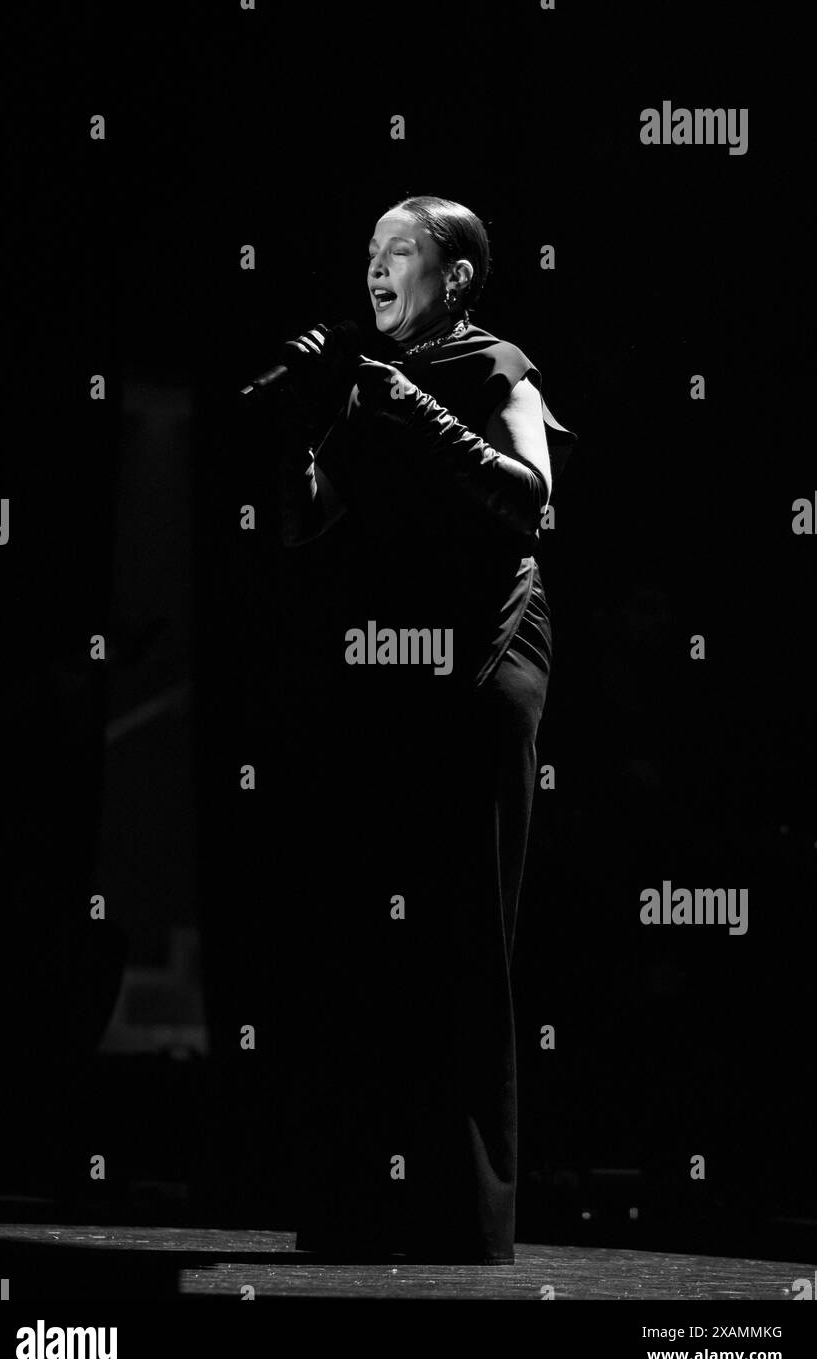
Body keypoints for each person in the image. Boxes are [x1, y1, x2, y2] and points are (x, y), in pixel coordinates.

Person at [273, 195, 576, 1264]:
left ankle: (462, 1213)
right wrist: (305, 435)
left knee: (458, 927)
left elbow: (529, 500)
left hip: (485, 651)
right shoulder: (359, 385)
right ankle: (364, 1200)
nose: (374, 268)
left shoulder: (499, 367)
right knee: (364, 932)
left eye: (399, 251)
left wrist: (412, 406)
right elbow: (311, 531)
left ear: (453, 276)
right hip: (386, 664)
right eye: (367, 253)